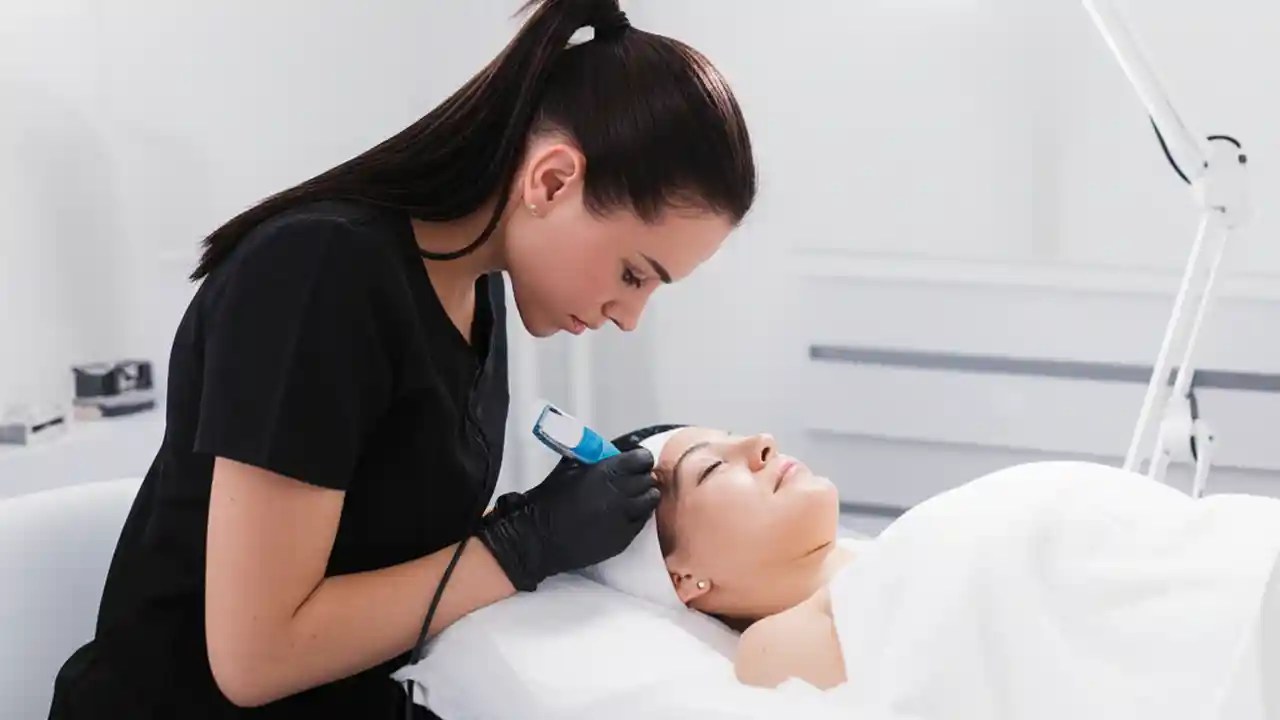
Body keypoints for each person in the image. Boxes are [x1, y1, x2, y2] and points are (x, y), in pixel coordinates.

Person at [48, 1, 757, 717]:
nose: (629, 317)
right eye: (635, 274)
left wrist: (533, 529)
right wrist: (522, 545)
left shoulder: (477, 298)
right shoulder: (318, 275)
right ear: (551, 181)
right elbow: (254, 660)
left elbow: (388, 545)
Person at [630, 425, 1280, 718]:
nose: (761, 443)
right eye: (714, 468)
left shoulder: (891, 553)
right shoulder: (772, 647)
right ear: (685, 579)